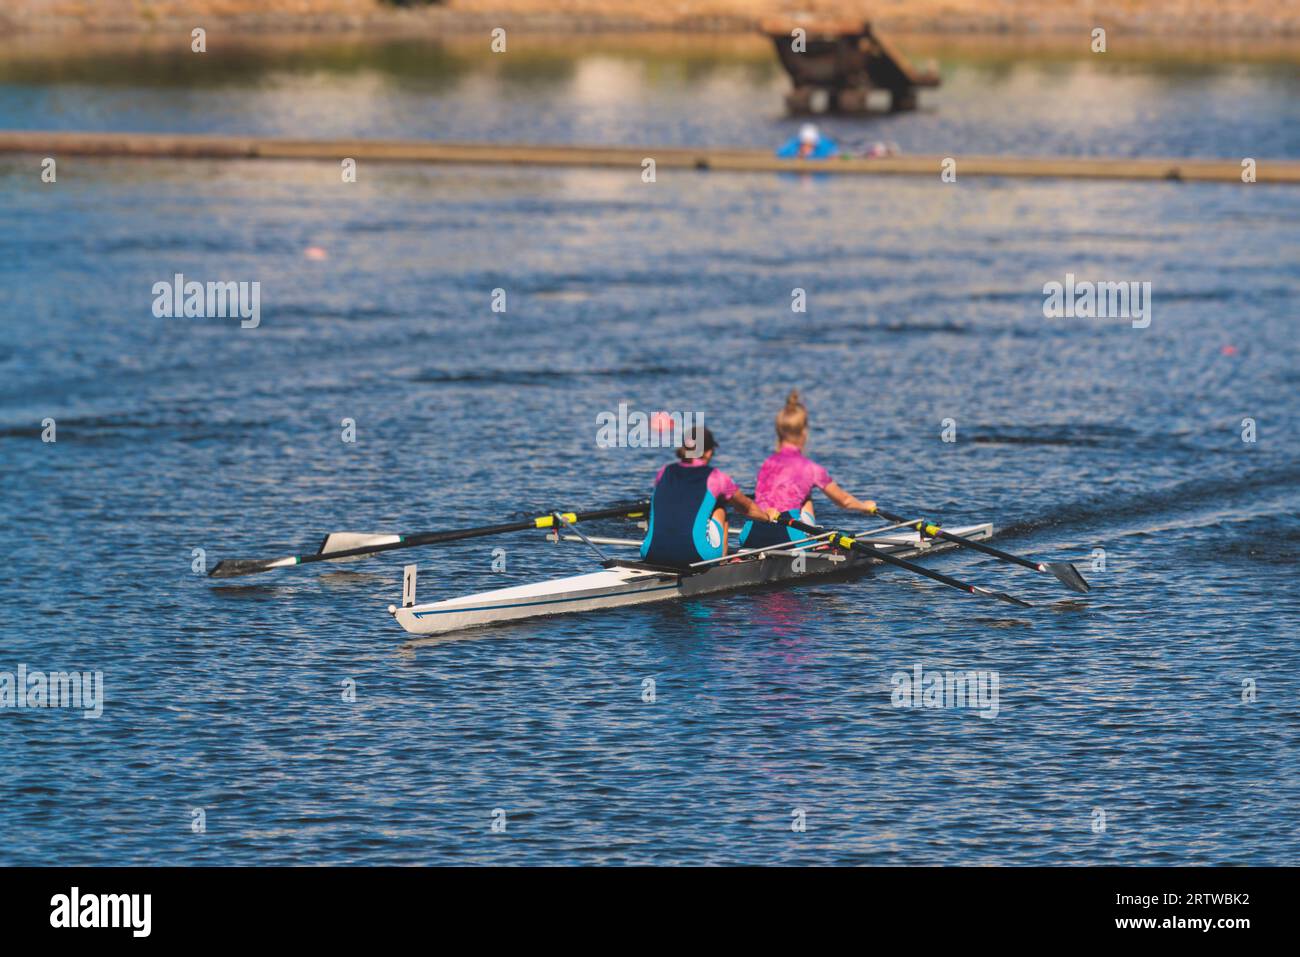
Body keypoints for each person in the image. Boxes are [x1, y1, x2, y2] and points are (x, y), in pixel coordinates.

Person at [739, 390, 877, 550]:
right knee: (805, 497)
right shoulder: (811, 468)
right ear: (804, 433)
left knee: (796, 493)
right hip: (789, 541)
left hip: (750, 537)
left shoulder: (767, 464)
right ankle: (811, 541)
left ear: (778, 432)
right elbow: (844, 501)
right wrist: (865, 507)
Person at [641, 427, 774, 568]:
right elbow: (746, 507)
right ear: (709, 452)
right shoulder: (716, 478)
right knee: (720, 509)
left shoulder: (663, 472)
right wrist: (767, 517)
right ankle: (722, 566)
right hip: (695, 555)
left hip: (650, 552)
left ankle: (666, 549)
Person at [776, 123, 840, 160]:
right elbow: (780, 153)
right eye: (805, 143)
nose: (807, 146)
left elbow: (833, 151)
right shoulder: (793, 145)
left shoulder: (825, 146)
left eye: (810, 144)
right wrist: (796, 155)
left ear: (814, 144)